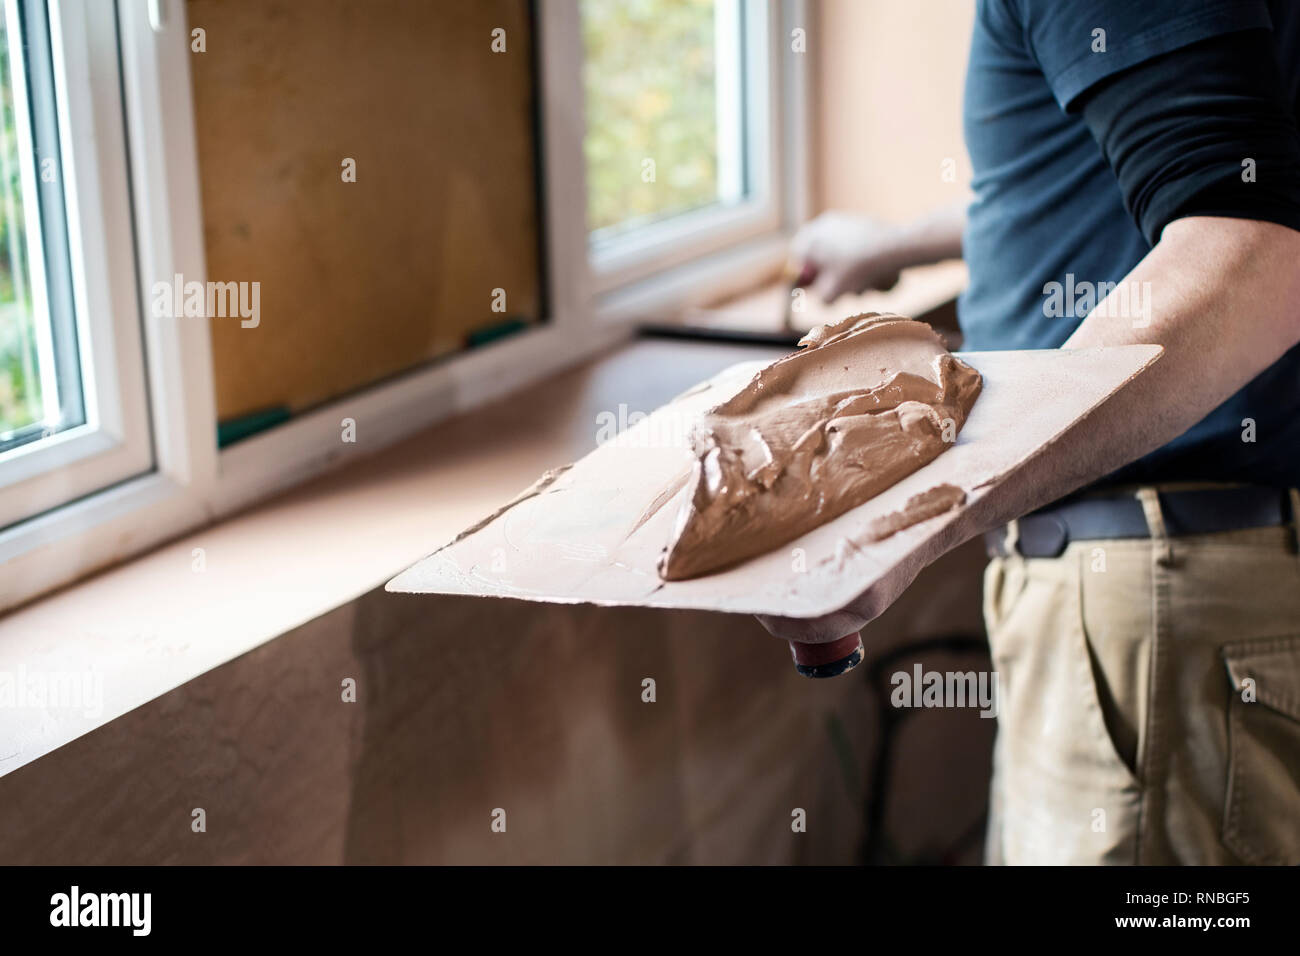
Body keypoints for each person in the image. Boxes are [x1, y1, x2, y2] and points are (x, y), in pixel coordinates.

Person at [771, 0, 1300, 865]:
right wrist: (897, 244)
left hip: (1163, 613)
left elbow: (1254, 251)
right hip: (1181, 596)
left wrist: (907, 516)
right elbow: (1135, 170)